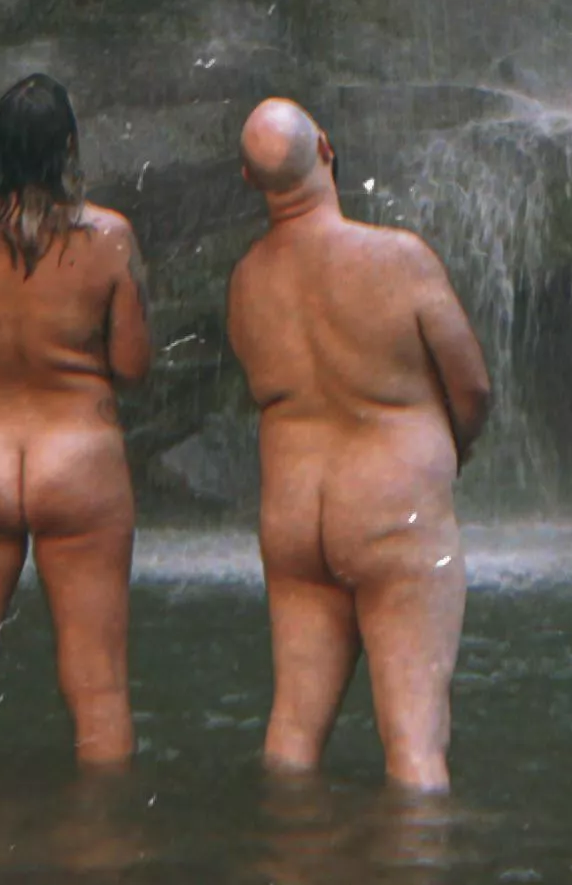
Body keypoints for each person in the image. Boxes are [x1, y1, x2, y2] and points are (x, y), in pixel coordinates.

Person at [223, 95, 495, 792]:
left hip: (293, 519)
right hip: (390, 512)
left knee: (291, 731)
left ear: (251, 182)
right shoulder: (397, 257)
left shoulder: (246, 281)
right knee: (414, 740)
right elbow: (472, 387)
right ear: (326, 146)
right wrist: (445, 452)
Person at [0, 72, 150, 765]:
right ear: (68, 145)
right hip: (79, 461)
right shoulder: (109, 236)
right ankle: (100, 853)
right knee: (98, 686)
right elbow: (132, 365)